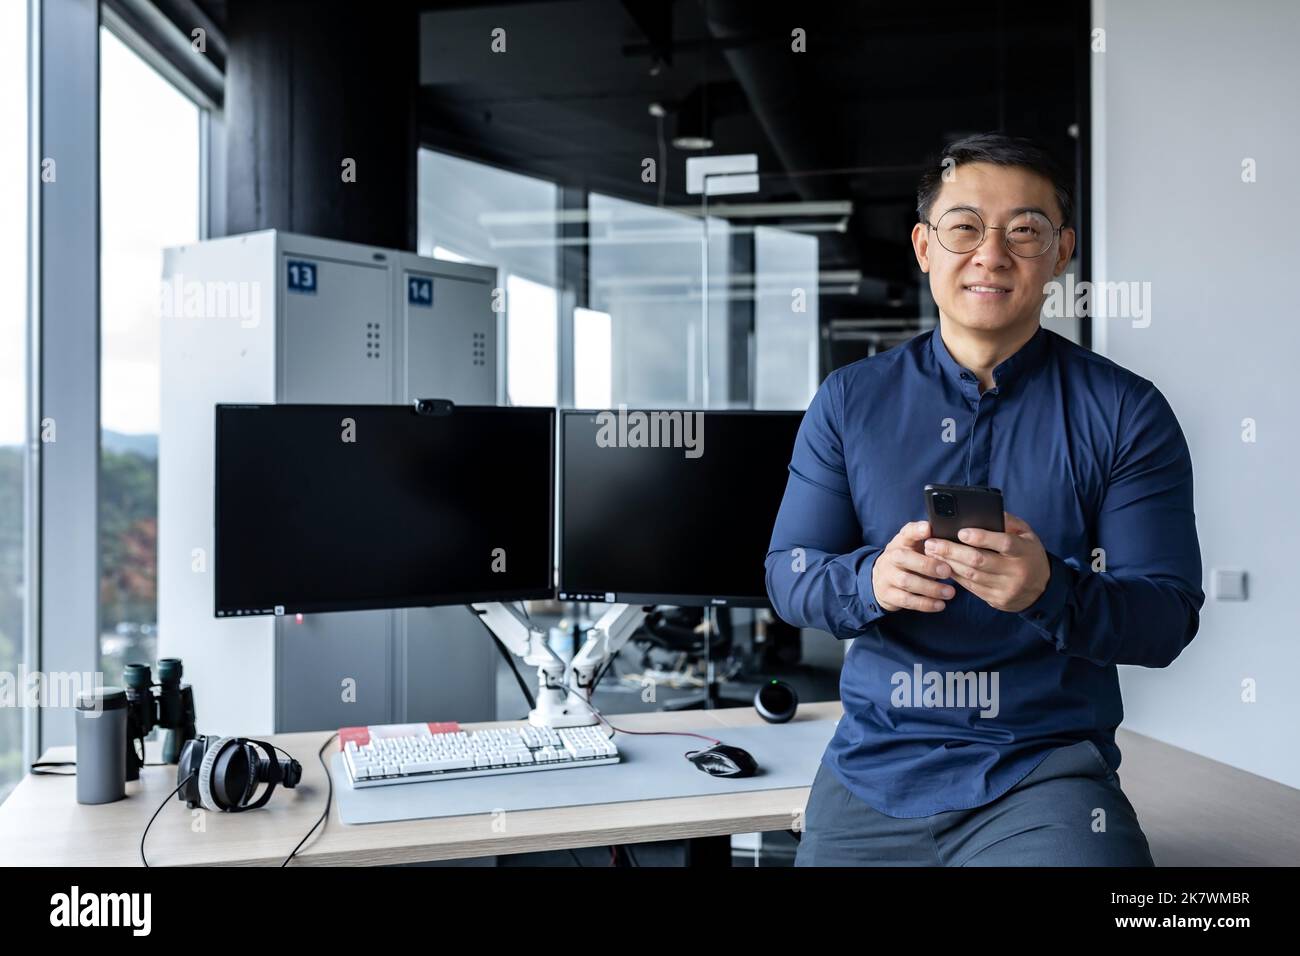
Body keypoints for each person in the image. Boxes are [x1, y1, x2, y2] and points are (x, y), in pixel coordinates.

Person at [765, 132, 1203, 866]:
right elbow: (789, 574)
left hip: (1044, 775)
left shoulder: (1127, 412)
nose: (991, 255)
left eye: (1024, 231)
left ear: (1062, 253)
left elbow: (1166, 618)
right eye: (964, 227)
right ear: (923, 246)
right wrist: (870, 581)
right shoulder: (848, 402)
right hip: (875, 767)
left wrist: (1050, 589)